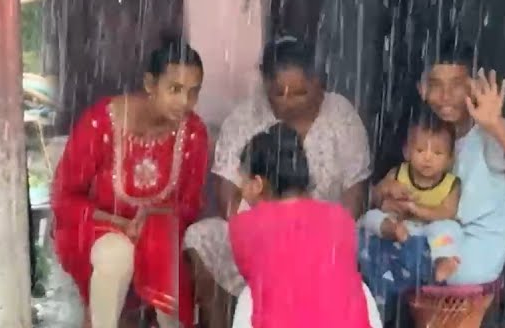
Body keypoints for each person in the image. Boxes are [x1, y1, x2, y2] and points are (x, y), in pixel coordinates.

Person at [185, 36, 372, 327]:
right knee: (200, 236)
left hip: (319, 246)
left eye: (299, 93)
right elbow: (226, 192)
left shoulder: (341, 116)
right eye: (278, 93)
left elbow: (355, 191)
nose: (288, 102)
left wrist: (306, 245)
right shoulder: (245, 117)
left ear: (318, 82)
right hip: (292, 239)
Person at [359, 40, 505, 309]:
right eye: (436, 85)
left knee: (366, 261)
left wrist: (497, 127)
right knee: (362, 231)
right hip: (425, 251)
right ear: (423, 89)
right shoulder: (424, 137)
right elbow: (383, 195)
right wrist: (387, 198)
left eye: (457, 84)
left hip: (465, 264)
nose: (446, 95)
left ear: (473, 86)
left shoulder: (494, 133)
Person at [51, 35, 210, 328]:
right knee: (115, 254)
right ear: (150, 85)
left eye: (193, 92)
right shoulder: (100, 124)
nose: (184, 102)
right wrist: (119, 224)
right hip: (95, 227)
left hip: (159, 232)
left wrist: (152, 222)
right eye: (174, 89)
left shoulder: (194, 134)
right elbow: (65, 197)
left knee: (167, 263)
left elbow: (189, 204)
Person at [227, 124, 373, 328]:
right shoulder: (339, 218)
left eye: (243, 180)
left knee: (248, 297)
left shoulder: (245, 225)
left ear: (257, 184)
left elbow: (254, 271)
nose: (241, 190)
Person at [360, 106, 462, 283]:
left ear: (450, 159)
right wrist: (386, 188)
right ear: (407, 151)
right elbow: (374, 198)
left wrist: (416, 209)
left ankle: (441, 261)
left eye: (437, 153)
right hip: (401, 226)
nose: (428, 158)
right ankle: (392, 231)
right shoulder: (399, 173)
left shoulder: (451, 184)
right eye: (420, 150)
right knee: (370, 217)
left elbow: (447, 212)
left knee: (450, 230)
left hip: (429, 235)